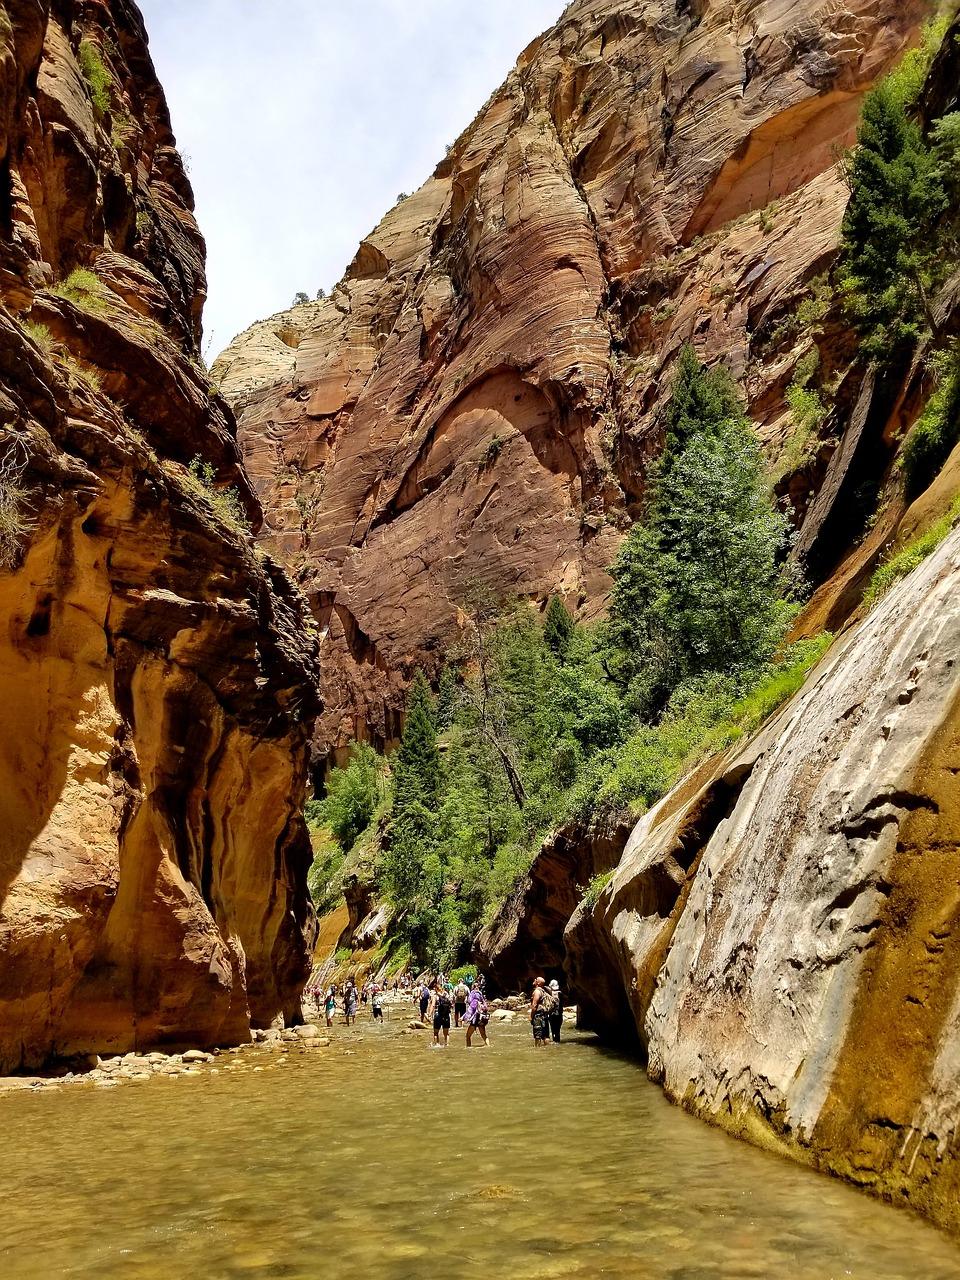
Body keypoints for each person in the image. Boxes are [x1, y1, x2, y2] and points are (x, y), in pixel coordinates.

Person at [464, 980, 489, 1048]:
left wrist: (465, 1018)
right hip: (482, 1017)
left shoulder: (472, 994)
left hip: (475, 1019)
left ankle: (468, 1049)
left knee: (468, 1036)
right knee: (484, 1035)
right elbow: (486, 1007)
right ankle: (488, 1046)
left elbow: (471, 1007)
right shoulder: (481, 994)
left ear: (473, 987)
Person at [430, 979, 452, 1047]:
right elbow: (451, 1004)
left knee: (436, 1033)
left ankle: (437, 1045)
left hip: (437, 1015)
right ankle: (447, 1045)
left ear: (436, 989)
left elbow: (433, 1005)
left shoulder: (435, 996)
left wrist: (429, 1014)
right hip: (446, 1015)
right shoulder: (447, 995)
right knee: (447, 1034)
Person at [530, 977, 550, 1048]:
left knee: (537, 1035)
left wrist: (531, 1017)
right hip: (545, 1015)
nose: (534, 980)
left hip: (538, 1016)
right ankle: (548, 1049)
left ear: (538, 983)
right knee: (545, 1035)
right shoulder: (544, 991)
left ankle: (537, 1049)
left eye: (535, 979)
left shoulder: (537, 992)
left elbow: (534, 1005)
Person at [547, 979, 563, 1043]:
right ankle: (557, 1041)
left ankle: (554, 1041)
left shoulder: (549, 993)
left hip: (551, 1014)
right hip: (559, 1014)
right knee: (558, 1030)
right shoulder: (560, 993)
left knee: (553, 1030)